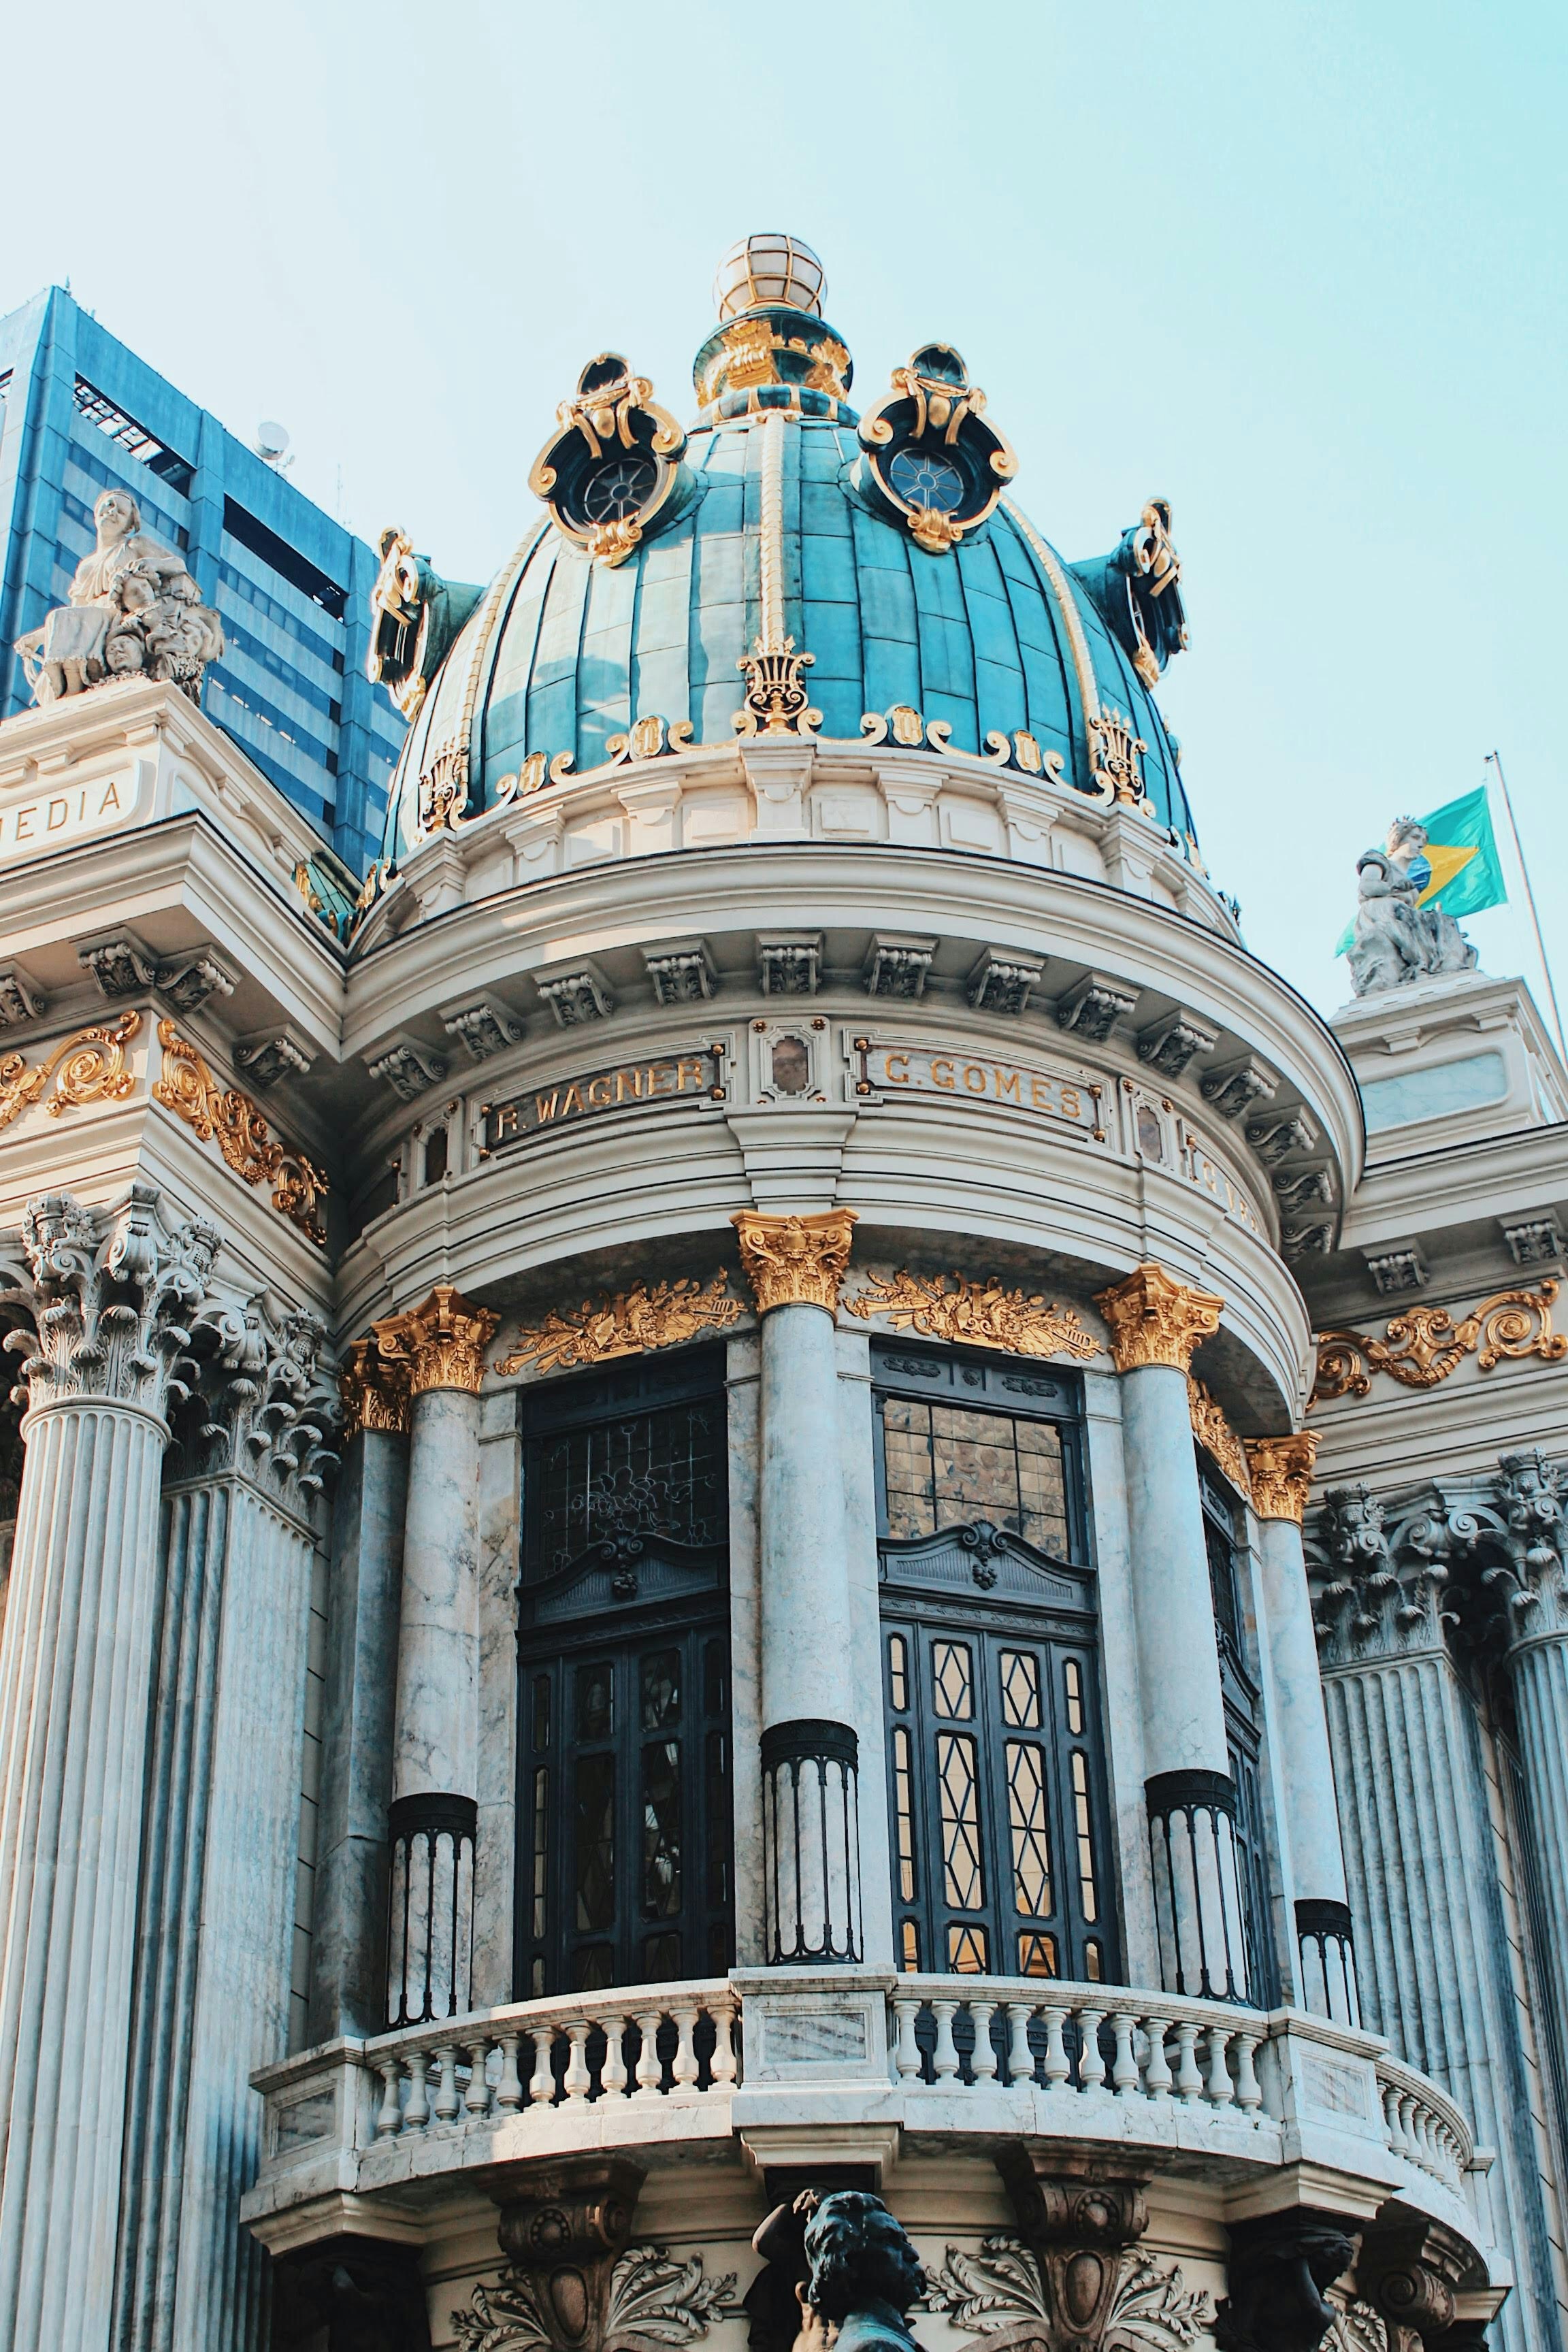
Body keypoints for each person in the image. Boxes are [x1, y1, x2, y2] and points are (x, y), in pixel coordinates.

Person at [801, 2193, 926, 2352]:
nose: (913, 2254)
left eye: (906, 2242)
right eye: (888, 2239)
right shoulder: (876, 2346)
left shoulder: (886, 2340)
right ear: (849, 2260)